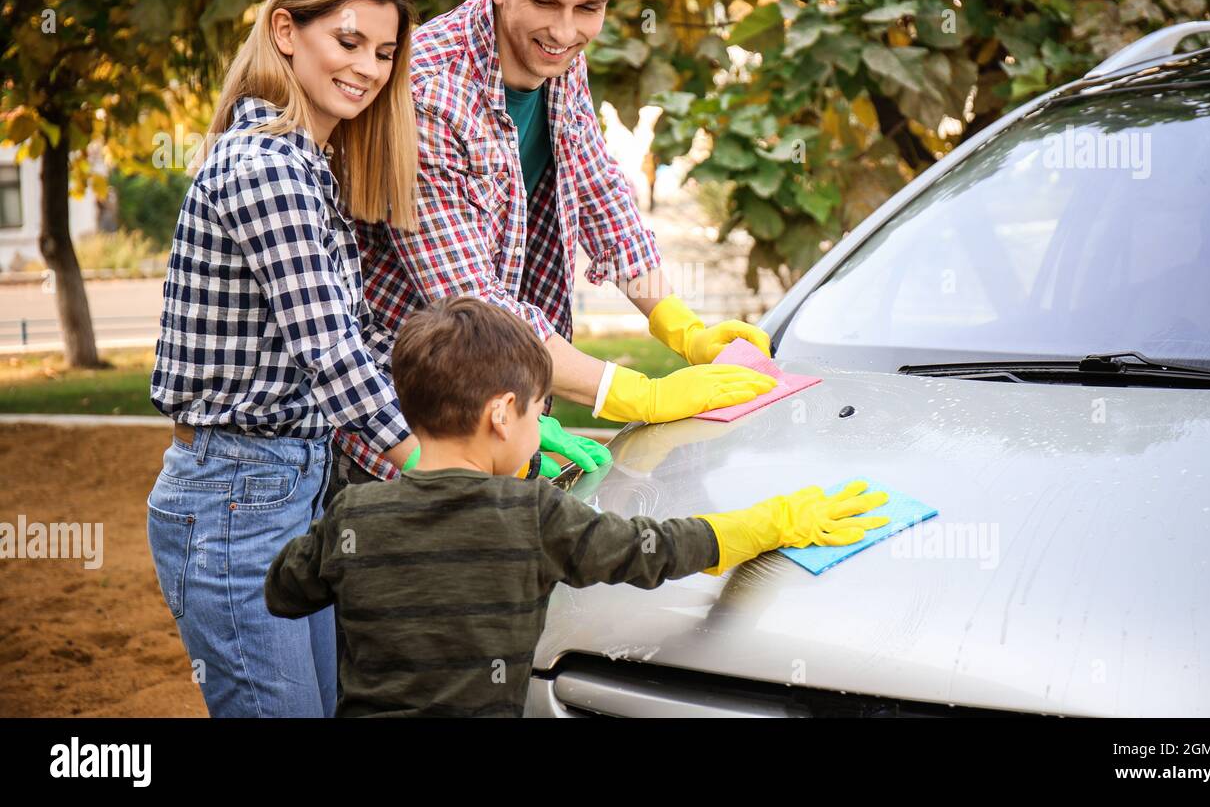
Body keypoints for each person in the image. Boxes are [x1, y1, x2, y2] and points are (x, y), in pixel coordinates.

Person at [333, 0, 777, 485]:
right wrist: (633, 393)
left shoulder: (560, 59)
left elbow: (601, 196)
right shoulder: (425, 94)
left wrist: (678, 324)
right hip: (408, 428)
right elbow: (470, 299)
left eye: (588, 8)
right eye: (544, 2)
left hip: (508, 409)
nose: (565, 31)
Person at [265, 296, 890, 717]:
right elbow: (658, 551)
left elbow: (283, 592)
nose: (542, 430)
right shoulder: (533, 515)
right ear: (501, 414)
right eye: (542, 412)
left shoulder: (355, 517)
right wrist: (770, 522)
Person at [145, 0, 424, 717]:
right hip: (237, 495)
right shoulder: (267, 164)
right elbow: (330, 352)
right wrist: (439, 473)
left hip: (291, 488)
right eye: (348, 41)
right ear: (286, 31)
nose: (367, 67)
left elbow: (358, 345)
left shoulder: (308, 165)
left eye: (383, 52)